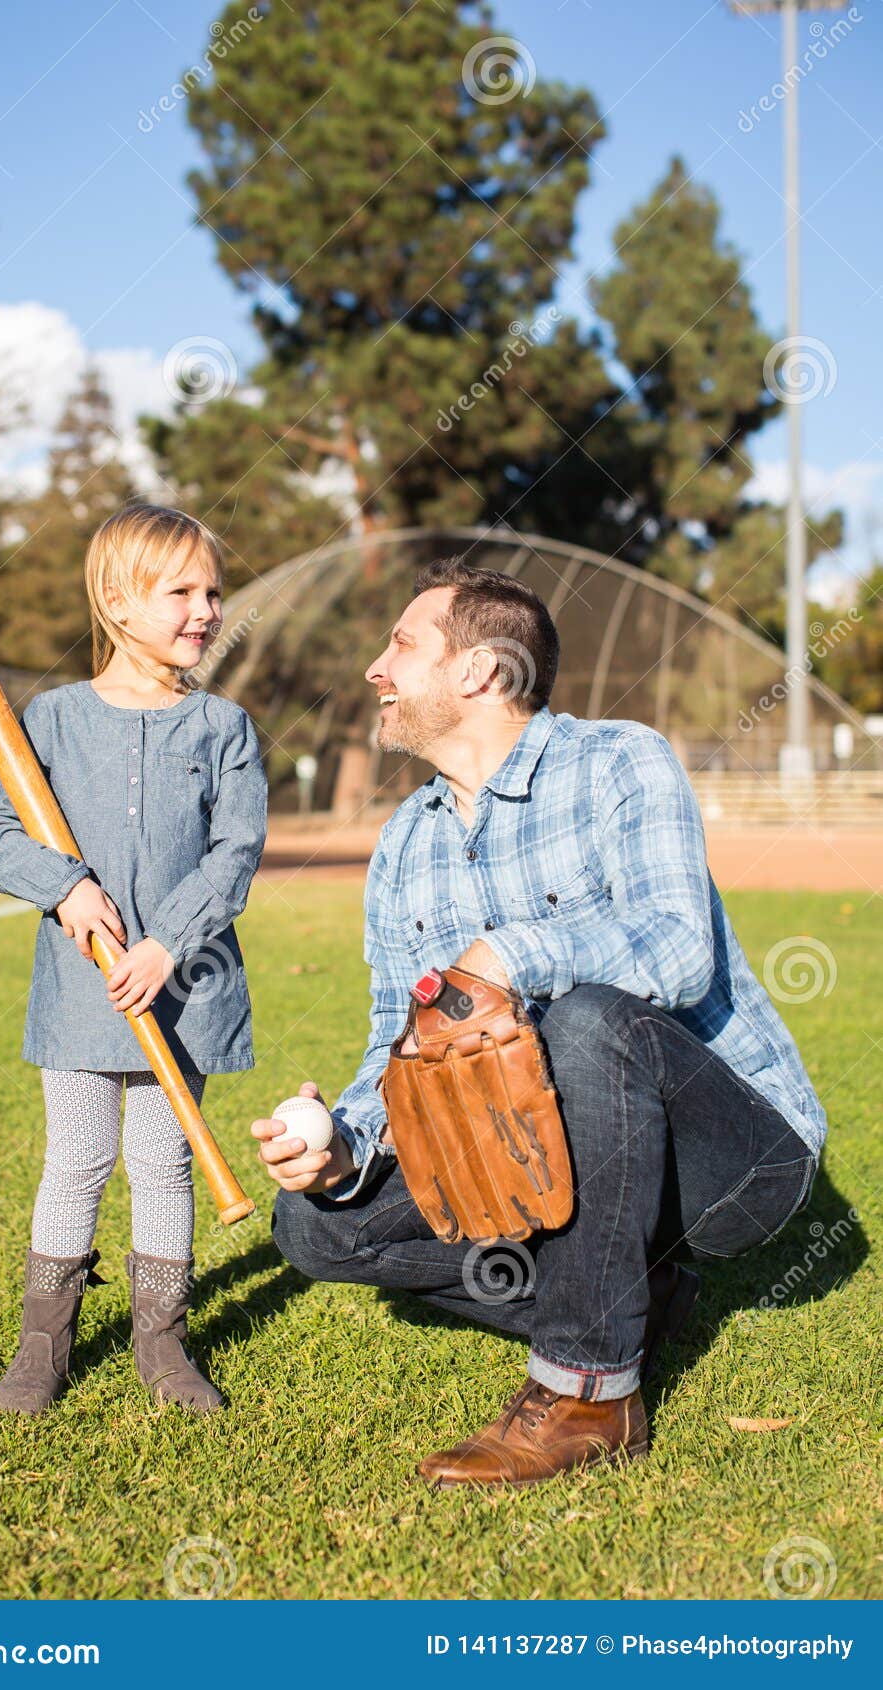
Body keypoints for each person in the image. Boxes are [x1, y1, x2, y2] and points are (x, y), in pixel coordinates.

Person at [254, 557, 826, 1488]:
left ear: (480, 669)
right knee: (318, 1226)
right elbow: (397, 1041)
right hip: (547, 1149)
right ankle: (629, 1298)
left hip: (729, 1166)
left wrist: (511, 954)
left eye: (401, 644)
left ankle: (588, 1393)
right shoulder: (404, 841)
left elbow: (680, 949)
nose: (375, 669)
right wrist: (344, 1146)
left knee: (587, 1018)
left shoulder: (618, 760)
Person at [0, 504, 267, 1416]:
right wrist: (63, 886)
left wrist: (166, 941)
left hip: (184, 987)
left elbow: (235, 853)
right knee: (78, 1158)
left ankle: (163, 1343)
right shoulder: (53, 719)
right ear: (116, 600)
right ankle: (43, 1345)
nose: (205, 610)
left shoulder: (224, 726)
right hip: (82, 989)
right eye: (181, 591)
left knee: (163, 1160)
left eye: (213, 592)